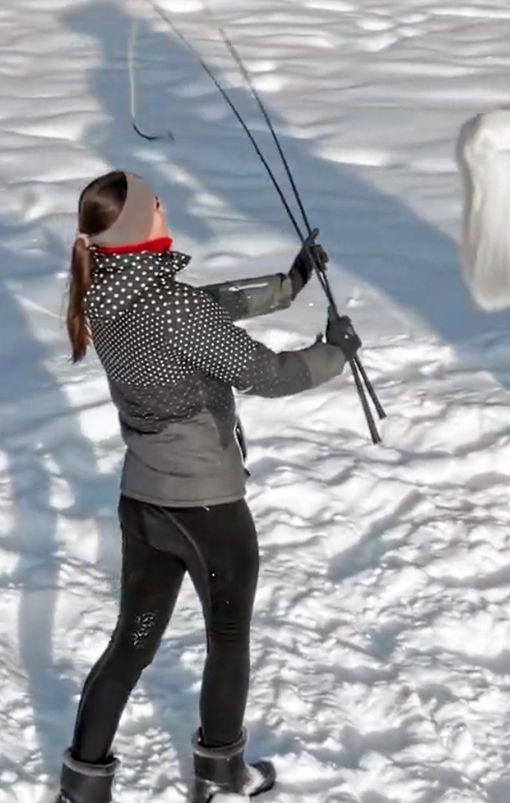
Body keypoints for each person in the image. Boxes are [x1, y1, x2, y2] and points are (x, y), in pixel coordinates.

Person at [54, 169, 362, 803]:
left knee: (132, 642)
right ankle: (220, 780)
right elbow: (268, 373)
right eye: (157, 204)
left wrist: (289, 283)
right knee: (227, 636)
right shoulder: (171, 307)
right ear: (141, 224)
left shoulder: (105, 291)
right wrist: (334, 353)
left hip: (144, 503)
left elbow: (209, 305)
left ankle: (81, 787)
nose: (166, 209)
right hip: (207, 506)